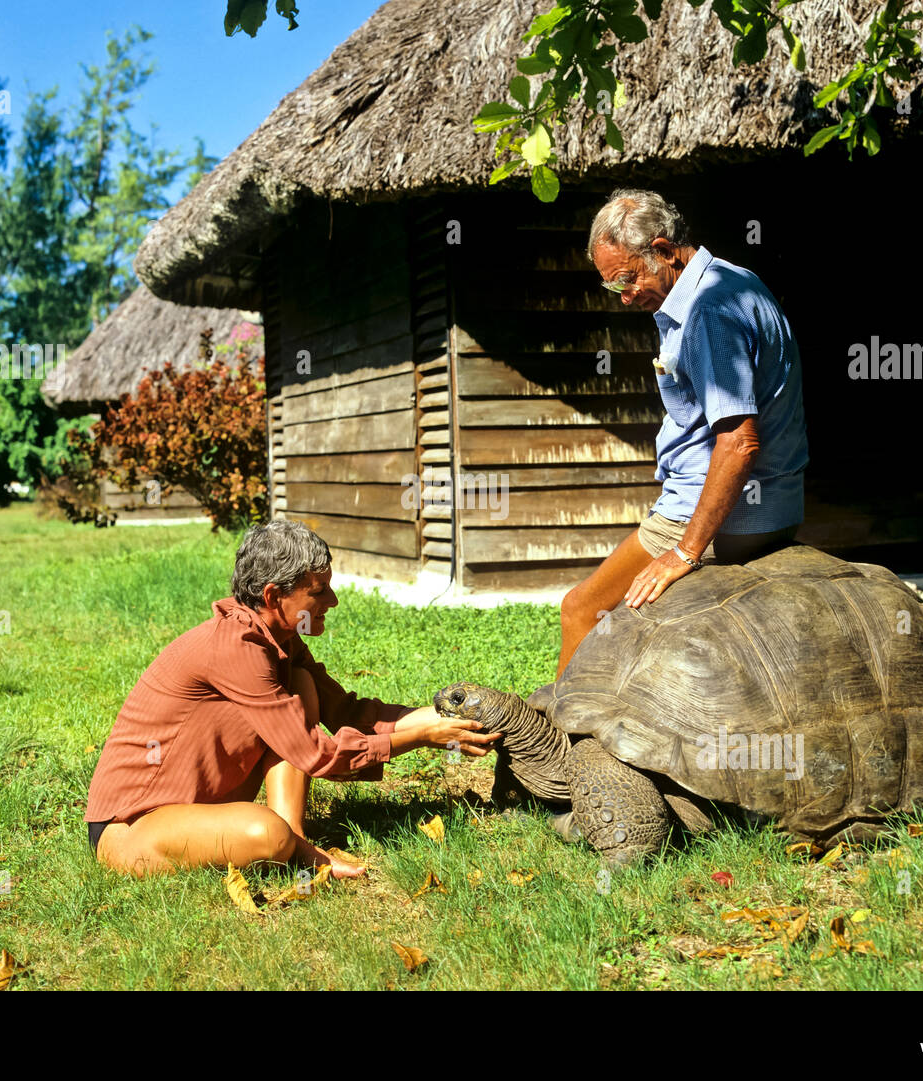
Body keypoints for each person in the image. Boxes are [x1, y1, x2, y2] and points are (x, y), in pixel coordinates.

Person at [85, 520, 500, 878]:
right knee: (265, 835)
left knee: (300, 684)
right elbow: (315, 755)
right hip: (132, 824)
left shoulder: (281, 640)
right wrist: (419, 738)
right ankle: (295, 847)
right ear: (272, 597)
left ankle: (294, 840)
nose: (332, 602)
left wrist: (442, 718)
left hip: (195, 809)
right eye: (318, 592)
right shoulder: (236, 649)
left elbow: (347, 712)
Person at [558, 189, 808, 677]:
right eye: (613, 288)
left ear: (666, 250)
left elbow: (739, 442)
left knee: (581, 610)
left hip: (716, 515)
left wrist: (684, 551)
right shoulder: (736, 281)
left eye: (627, 280)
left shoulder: (707, 312)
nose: (626, 297)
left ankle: (555, 749)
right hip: (778, 506)